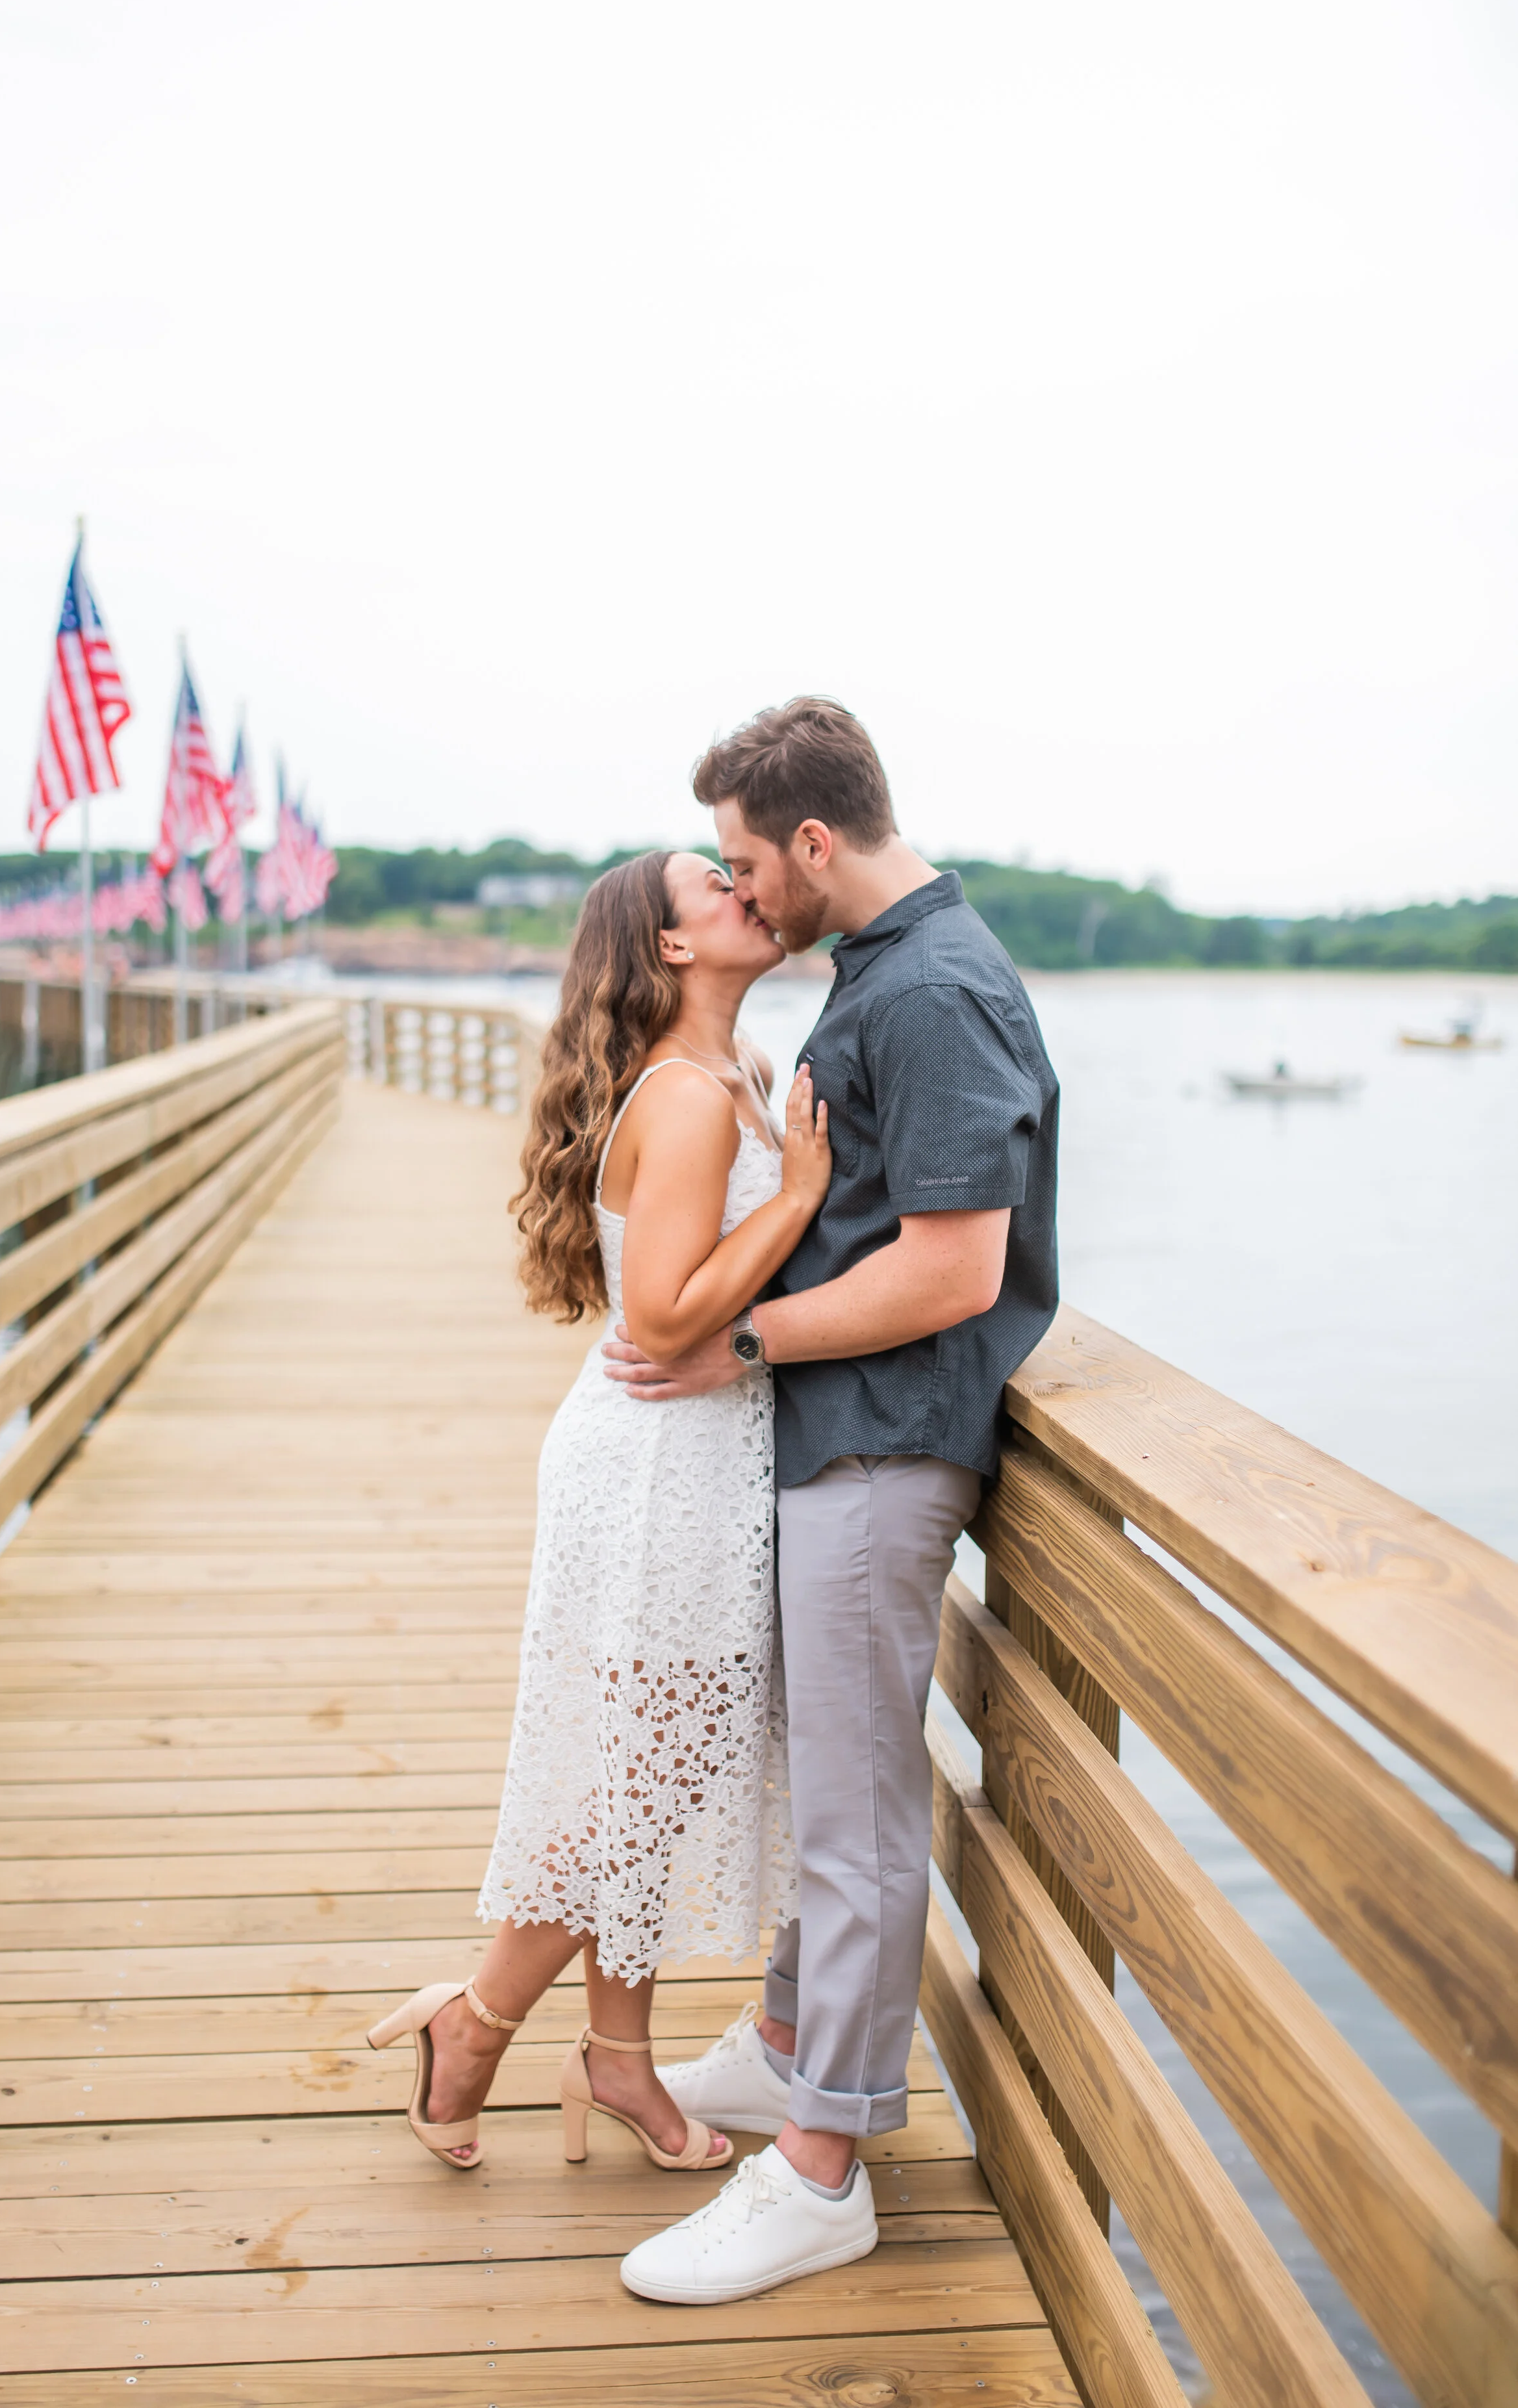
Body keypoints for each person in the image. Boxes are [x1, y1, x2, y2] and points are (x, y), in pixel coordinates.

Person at [608, 698, 1059, 2305]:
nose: (744, 889)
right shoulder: (879, 973)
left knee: (860, 1821)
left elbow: (951, 1267)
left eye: (745, 860)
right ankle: (798, 2037)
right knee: (836, 1798)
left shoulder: (933, 992)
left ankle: (821, 2171)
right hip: (835, 1435)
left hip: (884, 1442)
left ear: (812, 841)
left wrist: (742, 1337)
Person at [367, 847, 830, 2175]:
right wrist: (796, 1195)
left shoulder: (731, 1070)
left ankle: (617, 2060)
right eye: (717, 886)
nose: (750, 891)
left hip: (680, 1454)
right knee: (641, 1777)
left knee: (642, 1770)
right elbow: (665, 1315)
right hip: (656, 1466)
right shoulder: (687, 1095)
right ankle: (477, 2019)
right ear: (672, 947)